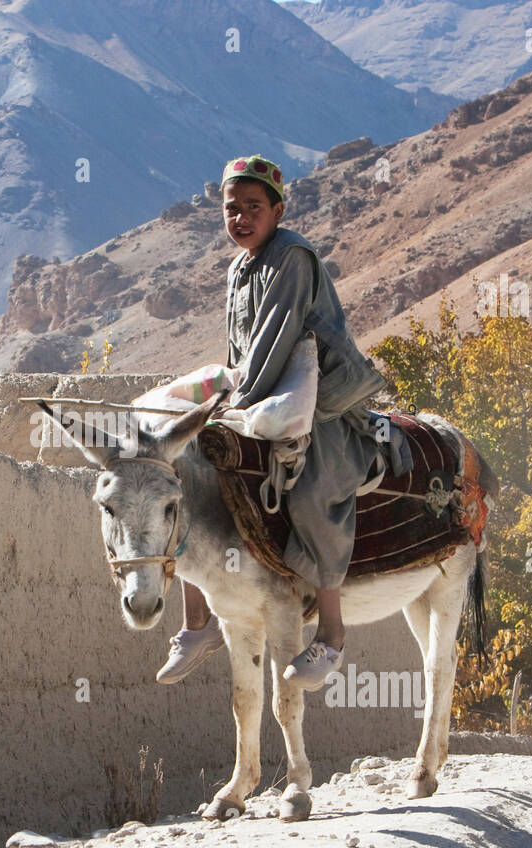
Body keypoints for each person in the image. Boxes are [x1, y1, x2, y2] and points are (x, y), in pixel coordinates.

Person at [156, 154, 388, 688]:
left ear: (278, 210)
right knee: (194, 479)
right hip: (262, 391)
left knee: (312, 489)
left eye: (252, 208)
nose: (240, 218)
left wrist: (236, 407)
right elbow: (242, 352)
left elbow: (276, 341)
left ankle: (330, 634)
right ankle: (198, 623)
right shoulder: (240, 268)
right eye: (231, 209)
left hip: (320, 395)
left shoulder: (292, 258)